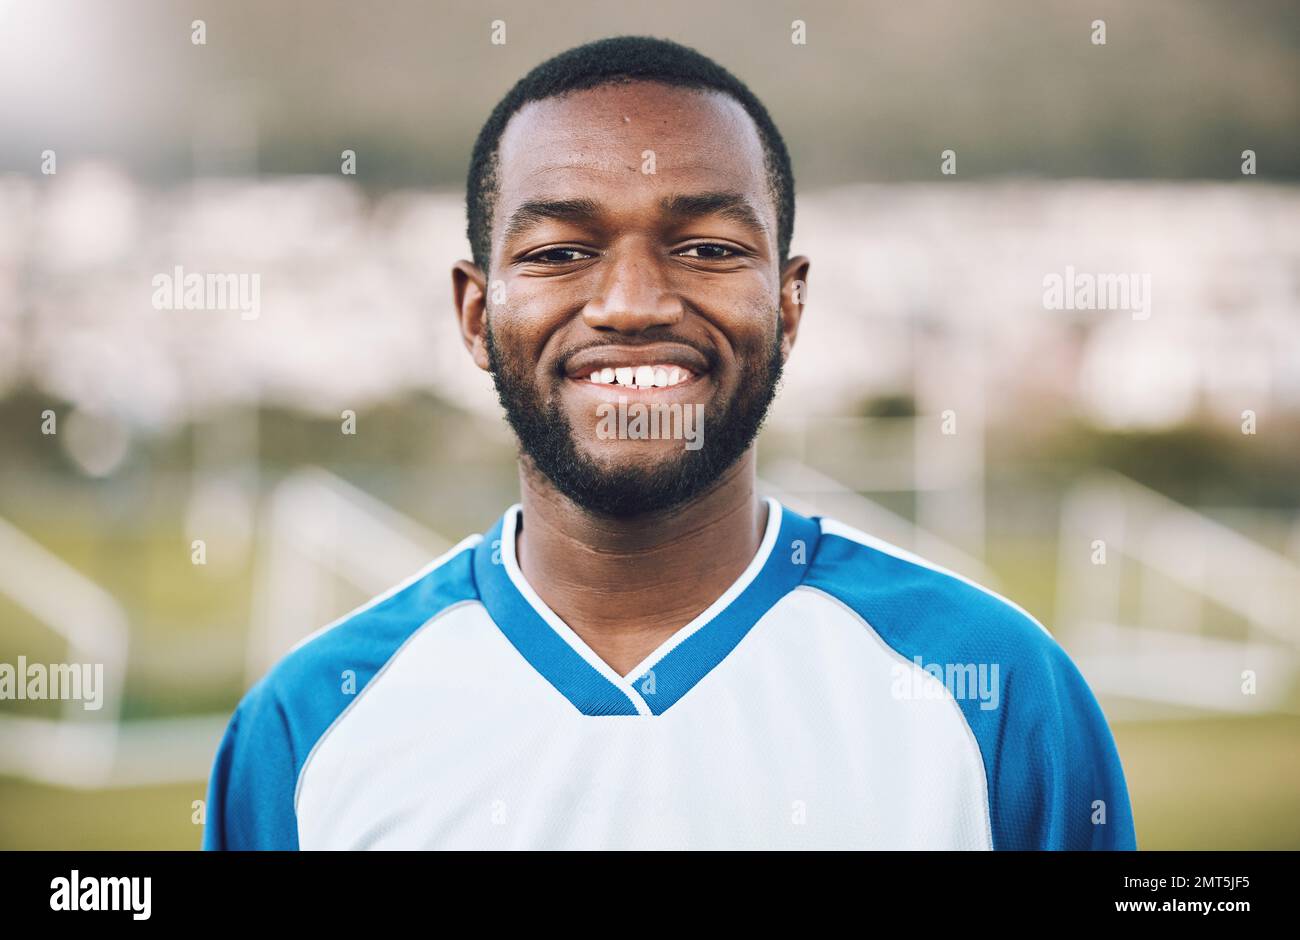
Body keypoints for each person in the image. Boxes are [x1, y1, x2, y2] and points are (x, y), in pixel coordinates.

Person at [203, 35, 1135, 850]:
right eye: (560, 252)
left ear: (791, 299)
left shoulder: (1002, 697)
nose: (633, 304)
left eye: (709, 248)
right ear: (476, 313)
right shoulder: (306, 728)